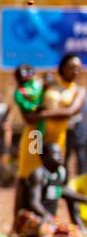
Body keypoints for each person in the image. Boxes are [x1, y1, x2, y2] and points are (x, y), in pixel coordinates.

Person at [15, 54, 84, 213]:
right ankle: (17, 220)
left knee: (55, 176)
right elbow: (30, 103)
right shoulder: (48, 83)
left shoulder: (78, 91)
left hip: (57, 138)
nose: (76, 70)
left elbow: (70, 111)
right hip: (36, 134)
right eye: (72, 66)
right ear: (62, 67)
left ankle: (46, 215)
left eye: (78, 67)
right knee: (27, 174)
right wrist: (33, 115)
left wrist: (42, 115)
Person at [16, 142, 87, 237]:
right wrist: (47, 216)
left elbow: (63, 191)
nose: (60, 156)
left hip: (51, 219)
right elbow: (34, 202)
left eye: (60, 153)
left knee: (67, 227)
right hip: (34, 217)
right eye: (56, 153)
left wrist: (83, 199)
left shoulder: (61, 172)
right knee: (46, 227)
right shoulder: (38, 173)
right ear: (44, 157)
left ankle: (77, 231)